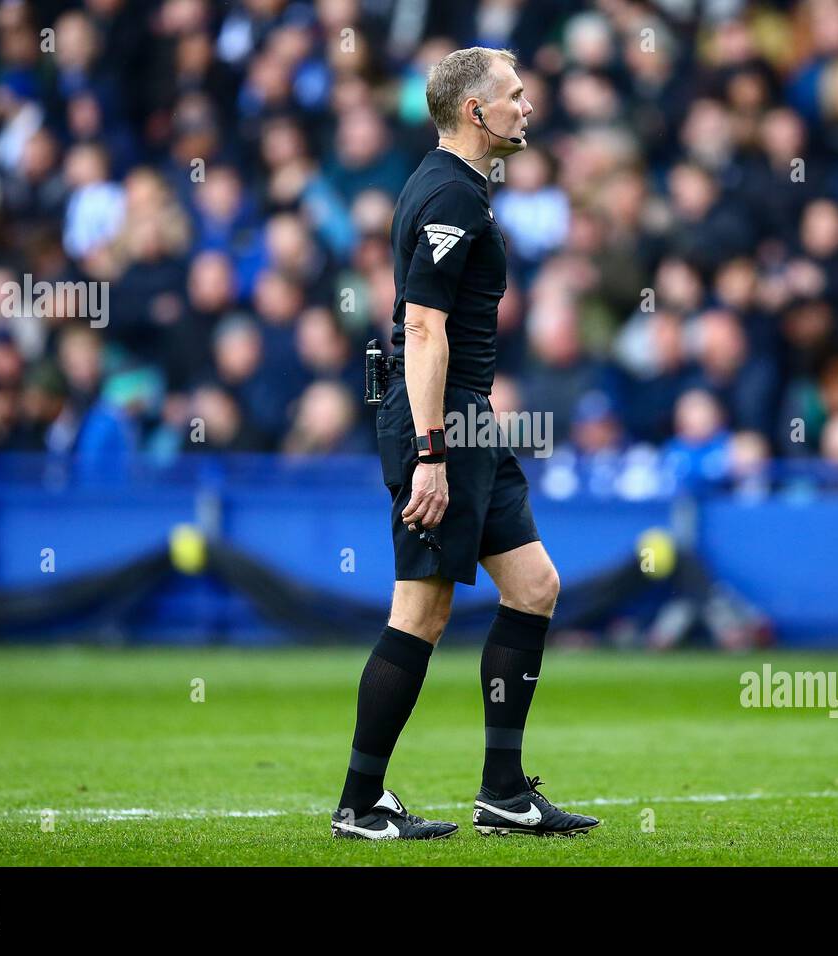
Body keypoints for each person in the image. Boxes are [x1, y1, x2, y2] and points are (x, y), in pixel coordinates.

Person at [330, 47, 599, 840]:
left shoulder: (454, 184)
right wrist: (431, 451)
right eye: (514, 96)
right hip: (441, 421)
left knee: (535, 585)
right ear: (475, 112)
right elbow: (421, 326)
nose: (527, 107)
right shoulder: (452, 195)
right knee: (420, 610)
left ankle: (505, 792)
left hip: (468, 417)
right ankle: (360, 801)